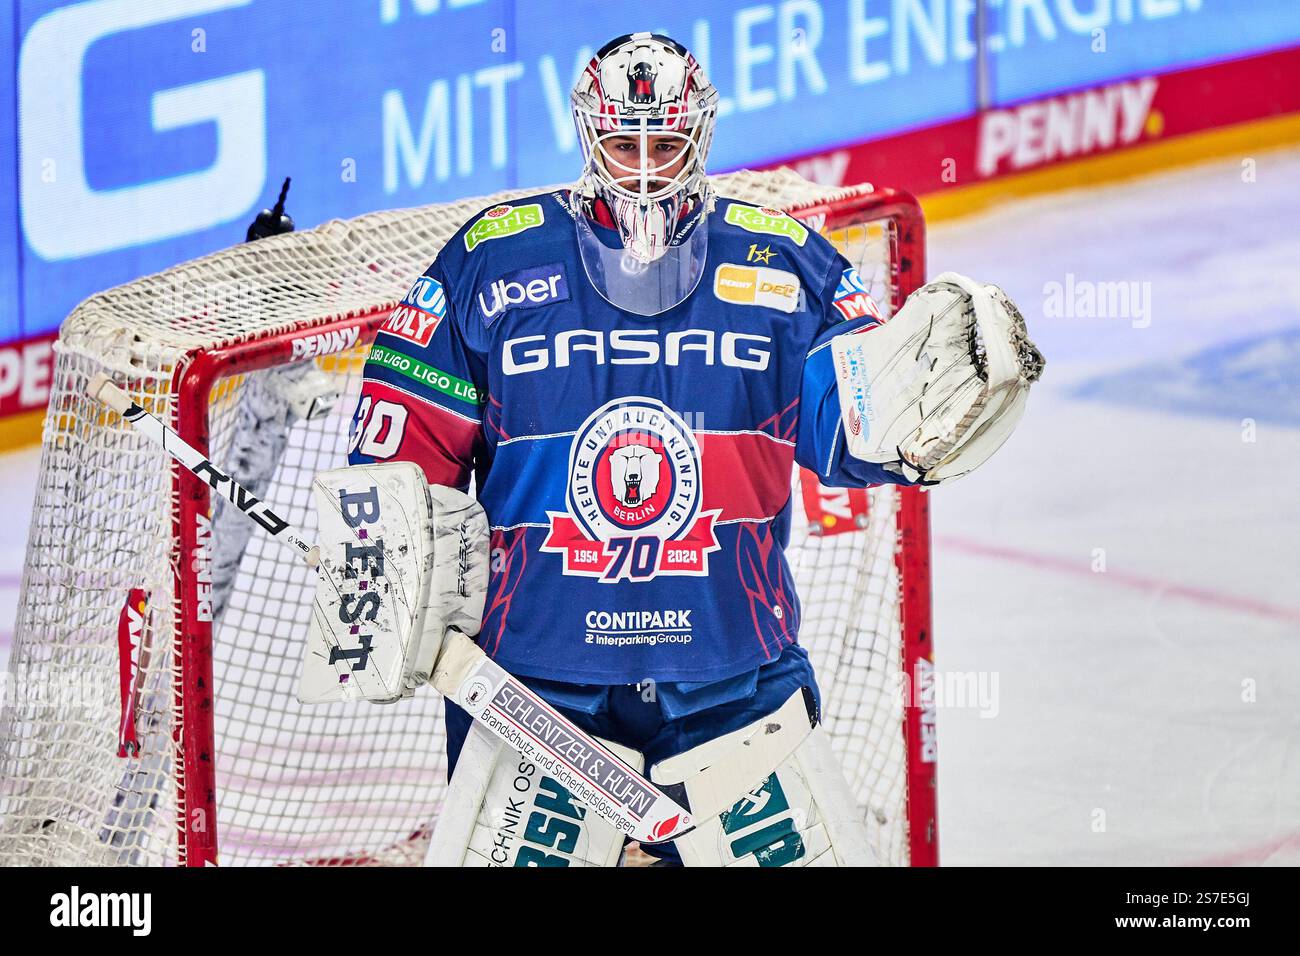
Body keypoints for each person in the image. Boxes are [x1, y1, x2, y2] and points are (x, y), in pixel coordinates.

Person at [347, 32, 1041, 866]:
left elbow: (850, 429)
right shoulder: (494, 258)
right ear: (586, 132)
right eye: (622, 141)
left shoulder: (783, 264)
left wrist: (912, 414)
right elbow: (401, 448)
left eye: (665, 141)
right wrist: (389, 564)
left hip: (732, 683)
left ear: (701, 135)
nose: (644, 166)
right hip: (538, 682)